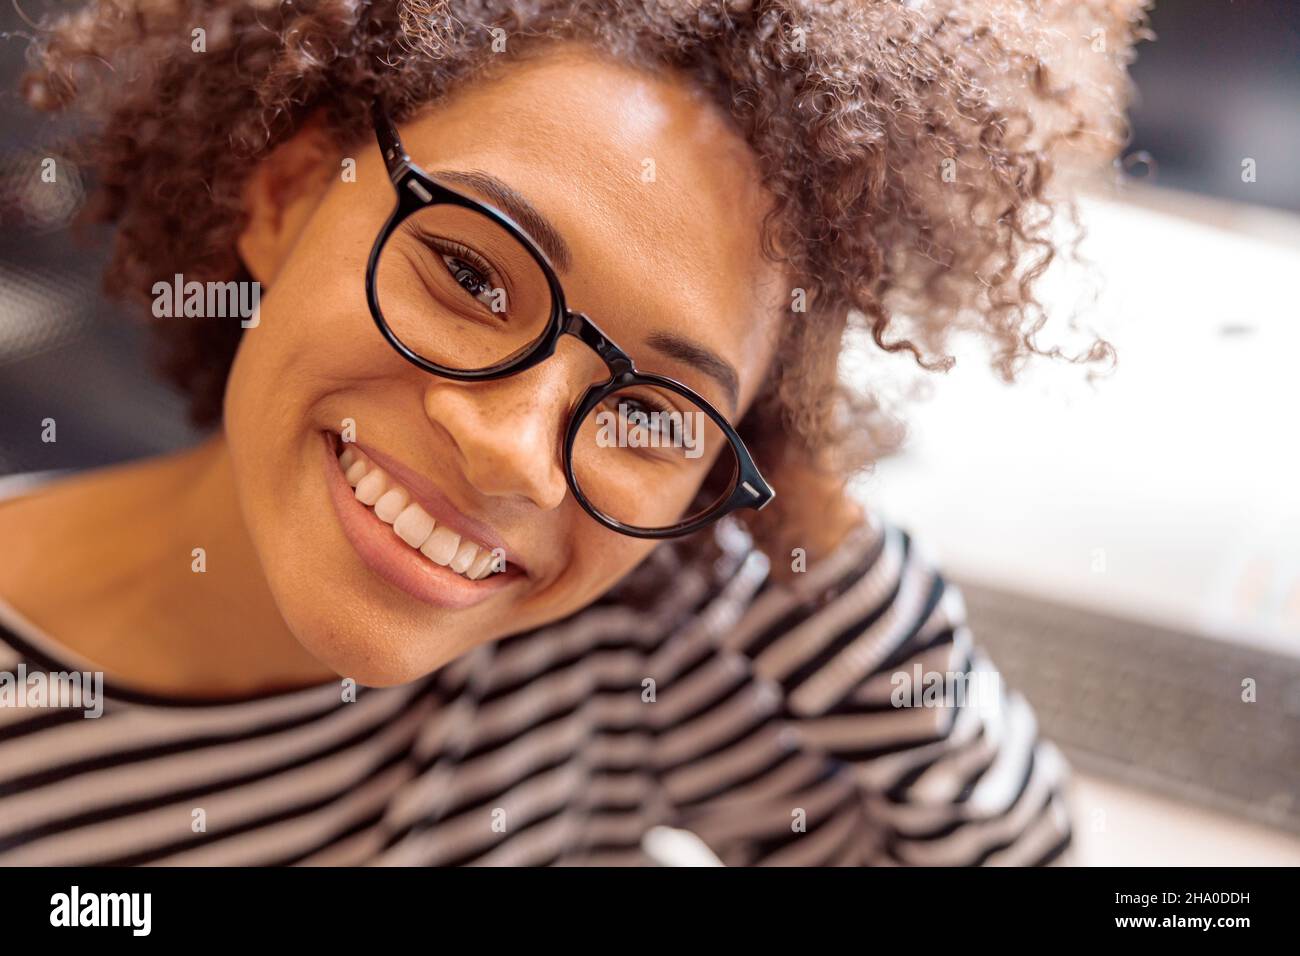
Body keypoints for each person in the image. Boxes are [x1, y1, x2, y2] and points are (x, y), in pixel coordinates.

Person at [0, 0, 1145, 865]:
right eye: (468, 272)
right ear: (287, 196)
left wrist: (819, 536)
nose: (511, 450)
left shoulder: (618, 661)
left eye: (652, 409)